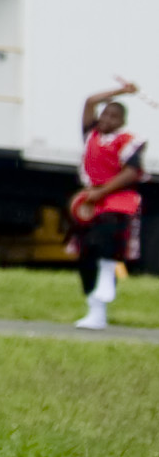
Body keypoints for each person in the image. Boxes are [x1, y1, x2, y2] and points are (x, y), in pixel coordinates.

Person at [74, 80, 143, 332]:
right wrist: (122, 91)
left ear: (122, 121)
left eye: (113, 116)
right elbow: (90, 101)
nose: (106, 119)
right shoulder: (91, 135)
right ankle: (96, 311)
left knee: (106, 237)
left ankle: (107, 271)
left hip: (116, 198)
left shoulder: (128, 141)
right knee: (85, 252)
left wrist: (102, 191)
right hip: (92, 197)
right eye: (104, 114)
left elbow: (131, 172)